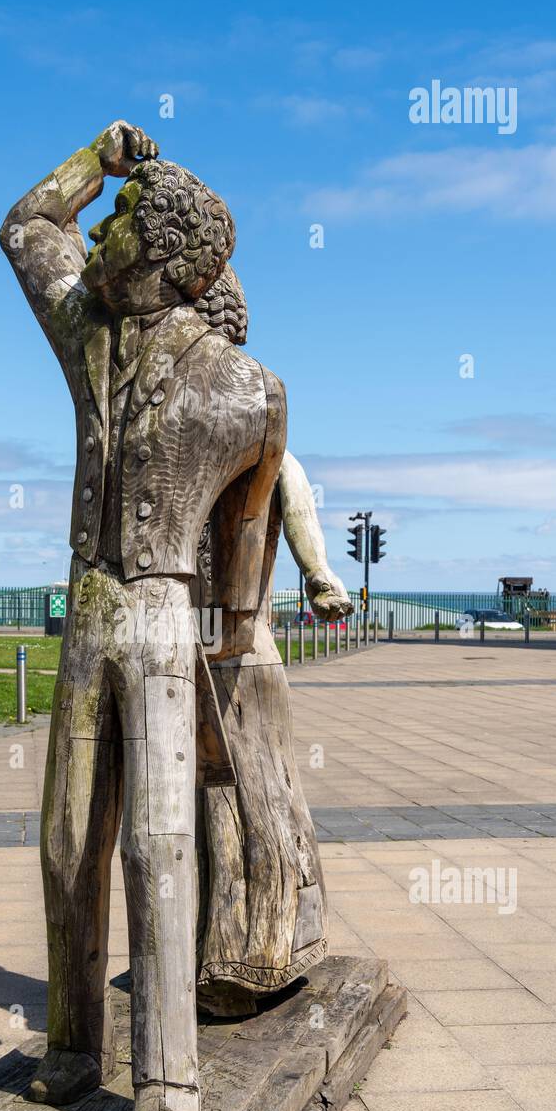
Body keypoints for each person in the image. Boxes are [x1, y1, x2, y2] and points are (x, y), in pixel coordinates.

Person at [0, 123, 286, 1111]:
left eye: (118, 219)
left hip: (165, 618)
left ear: (165, 257)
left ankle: (166, 1077)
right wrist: (97, 158)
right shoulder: (86, 327)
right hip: (86, 604)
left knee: (158, 842)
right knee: (67, 835)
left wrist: (236, 633)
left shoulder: (246, 392)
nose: (101, 229)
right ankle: (73, 1041)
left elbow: (245, 542)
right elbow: (28, 225)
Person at [192, 268, 354, 1015]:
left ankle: (264, 946)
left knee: (262, 797)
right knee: (205, 809)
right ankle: (221, 948)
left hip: (245, 652)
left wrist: (320, 576)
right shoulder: (179, 444)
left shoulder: (268, 444)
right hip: (186, 655)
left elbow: (302, 520)